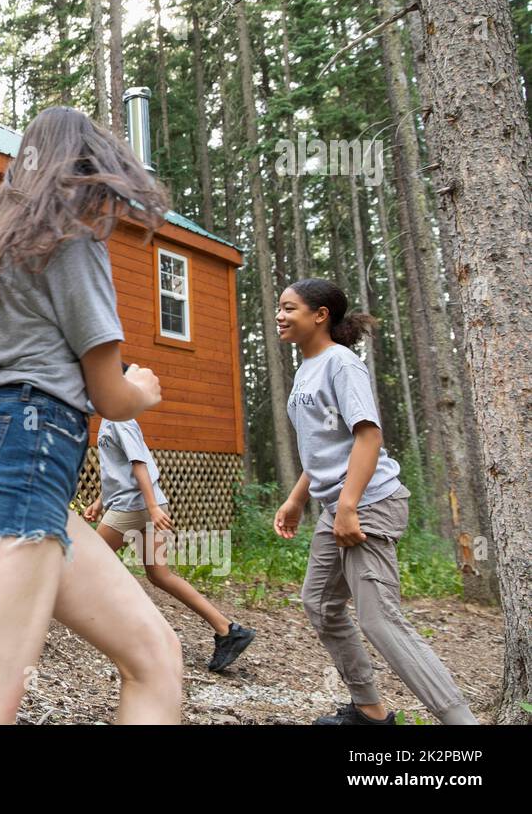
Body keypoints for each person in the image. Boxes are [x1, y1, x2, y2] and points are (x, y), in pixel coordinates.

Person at [0, 105, 182, 724]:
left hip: (17, 466)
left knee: (156, 654)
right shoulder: (71, 243)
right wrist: (142, 390)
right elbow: (108, 393)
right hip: (23, 462)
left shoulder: (9, 252)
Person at [273, 277, 478, 725]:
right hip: (338, 504)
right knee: (321, 605)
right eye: (279, 308)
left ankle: (463, 723)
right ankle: (369, 711)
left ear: (320, 315)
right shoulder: (307, 368)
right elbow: (324, 446)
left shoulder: (341, 363)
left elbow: (368, 434)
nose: (280, 315)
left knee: (380, 619)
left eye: (290, 308)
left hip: (368, 502)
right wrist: (296, 499)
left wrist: (348, 506)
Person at [82, 414, 256, 672]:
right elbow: (120, 471)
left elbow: (139, 462)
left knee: (85, 561)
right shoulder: (110, 418)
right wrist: (99, 502)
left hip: (133, 506)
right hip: (134, 504)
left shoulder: (120, 419)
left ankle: (131, 631)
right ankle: (228, 630)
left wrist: (152, 508)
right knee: (160, 574)